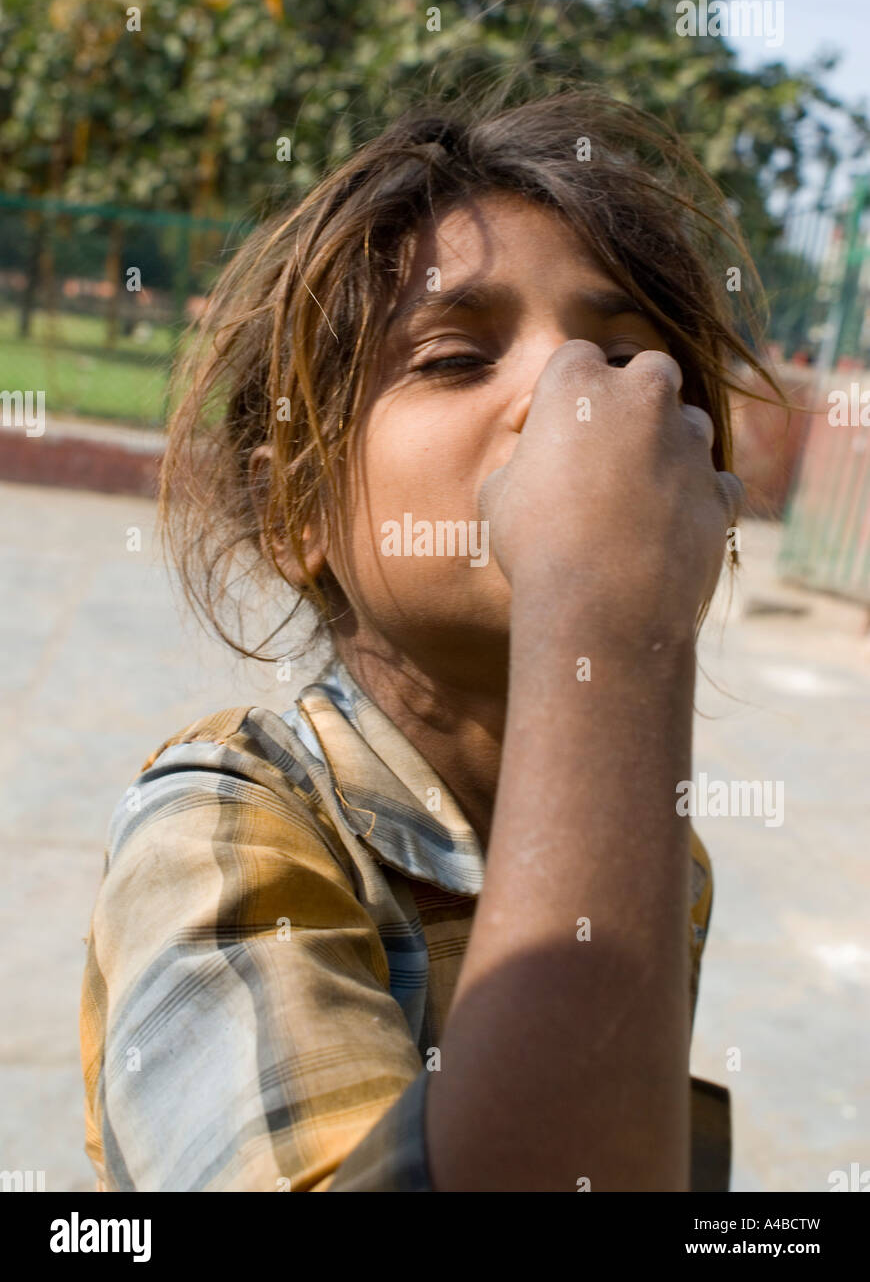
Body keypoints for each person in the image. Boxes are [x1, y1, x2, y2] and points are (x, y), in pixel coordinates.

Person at [79, 84, 783, 1192]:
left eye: (618, 361)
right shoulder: (225, 826)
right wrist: (604, 620)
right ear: (295, 511)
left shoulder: (660, 855)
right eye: (455, 359)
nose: (570, 398)